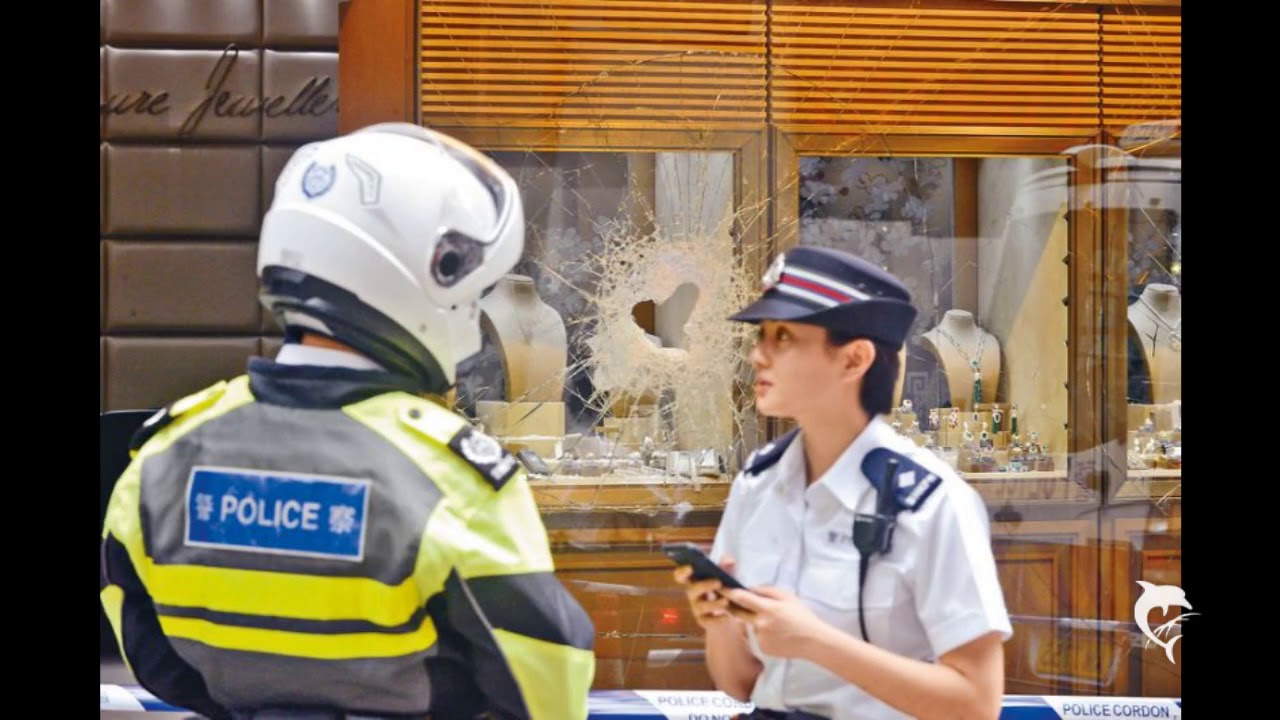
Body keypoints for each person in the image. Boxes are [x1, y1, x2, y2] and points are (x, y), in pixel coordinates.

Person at [99, 123, 596, 720]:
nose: (469, 317)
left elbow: (154, 659)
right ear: (414, 280)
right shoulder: (450, 478)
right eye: (466, 294)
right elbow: (547, 683)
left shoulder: (162, 456)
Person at [674, 246, 1012, 720]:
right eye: (761, 335)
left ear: (854, 359)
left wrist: (815, 642)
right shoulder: (758, 483)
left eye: (784, 336)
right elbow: (741, 683)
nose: (757, 355)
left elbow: (976, 703)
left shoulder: (932, 502)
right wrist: (719, 623)